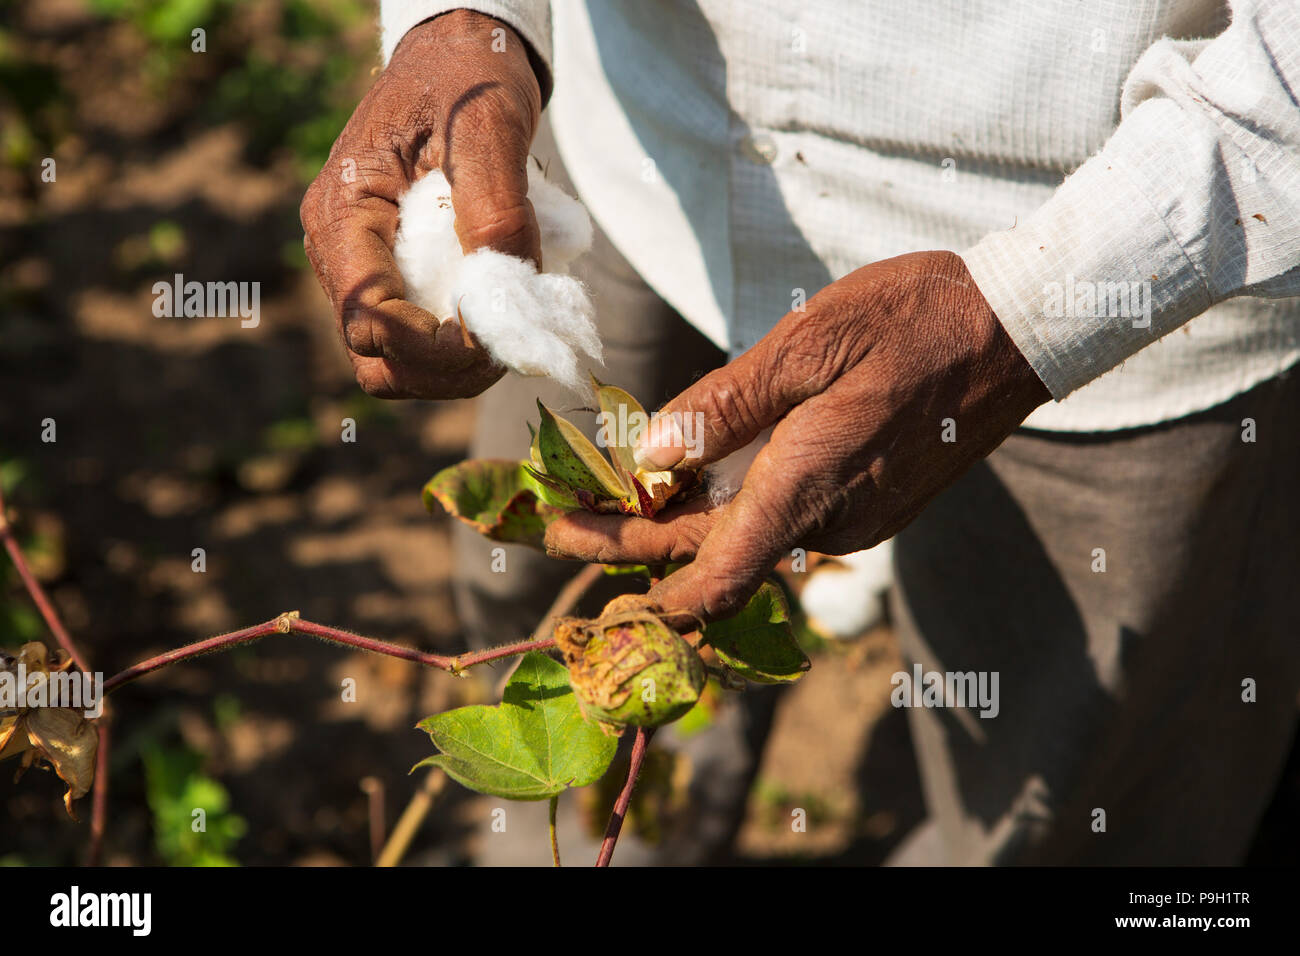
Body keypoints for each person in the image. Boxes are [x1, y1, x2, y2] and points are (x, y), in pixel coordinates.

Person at [300, 1, 1300, 864]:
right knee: (549, 611)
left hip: (1127, 269)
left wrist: (1035, 308)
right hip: (641, 170)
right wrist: (469, 20)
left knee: (1060, 790)